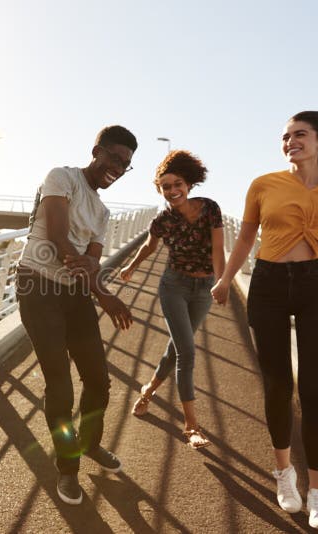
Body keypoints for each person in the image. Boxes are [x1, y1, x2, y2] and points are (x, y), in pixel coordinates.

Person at [211, 111, 318, 532]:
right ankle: (283, 475)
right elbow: (245, 237)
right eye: (286, 136)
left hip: (317, 284)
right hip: (270, 283)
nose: (290, 141)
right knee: (277, 384)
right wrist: (224, 281)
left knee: (314, 390)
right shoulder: (263, 184)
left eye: (300, 134)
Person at [15, 125, 135, 506]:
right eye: (114, 157)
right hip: (39, 286)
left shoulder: (102, 212)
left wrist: (93, 279)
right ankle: (68, 470)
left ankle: (90, 444)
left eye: (126, 165)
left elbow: (92, 261)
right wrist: (106, 296)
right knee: (60, 384)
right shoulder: (62, 177)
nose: (117, 167)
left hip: (74, 292)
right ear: (96, 150)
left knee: (99, 380)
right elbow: (57, 236)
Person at [119, 150, 224, 449]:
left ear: (188, 184)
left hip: (203, 288)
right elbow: (149, 247)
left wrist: (223, 281)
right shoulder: (162, 220)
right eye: (166, 187)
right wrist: (132, 266)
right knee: (187, 353)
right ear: (160, 190)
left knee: (175, 350)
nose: (173, 191)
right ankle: (191, 426)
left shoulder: (210, 209)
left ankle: (147, 391)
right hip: (174, 287)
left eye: (177, 184)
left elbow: (219, 249)